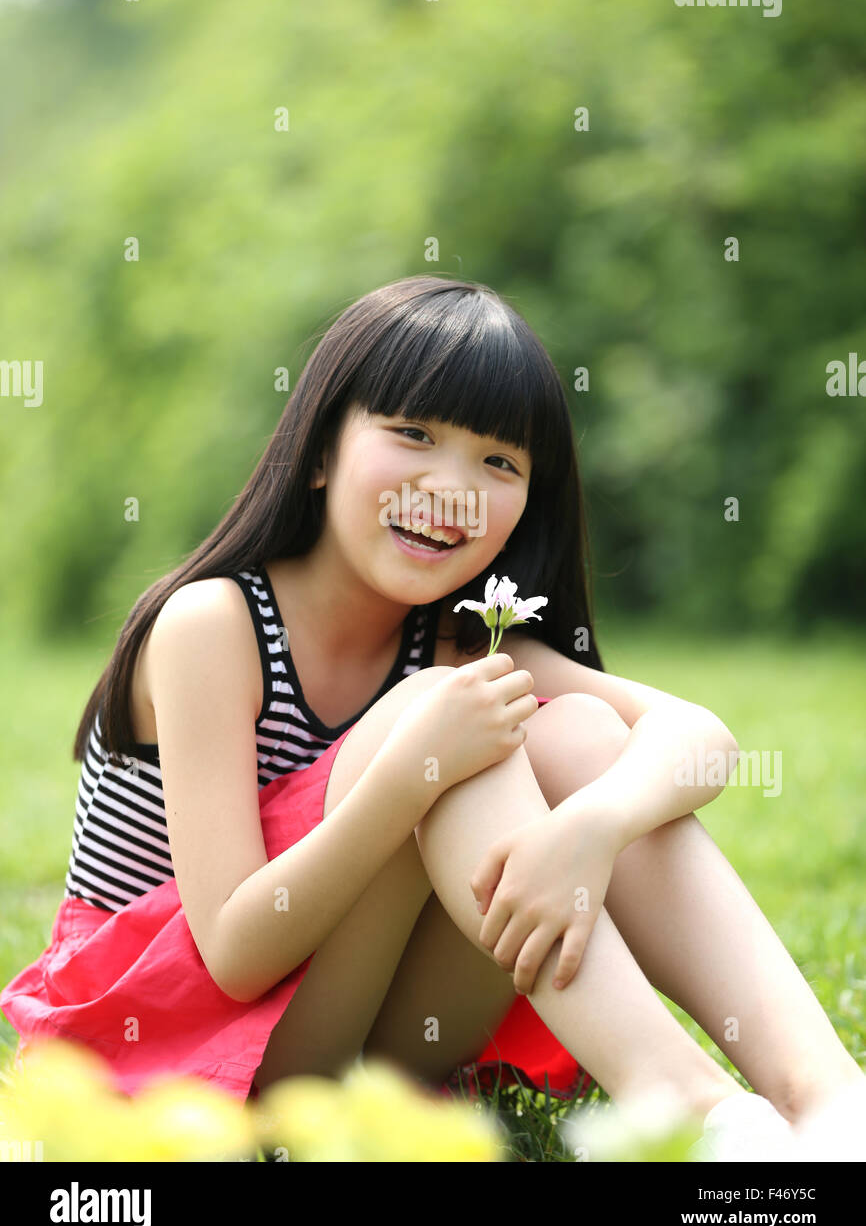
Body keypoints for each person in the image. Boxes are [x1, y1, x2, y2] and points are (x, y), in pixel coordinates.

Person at [2, 275, 863, 1161]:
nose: (451, 488)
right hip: (183, 1050)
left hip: (384, 1051)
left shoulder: (457, 636)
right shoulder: (211, 626)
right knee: (455, 715)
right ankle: (694, 1114)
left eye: (498, 462)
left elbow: (699, 738)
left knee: (578, 736)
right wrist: (415, 766)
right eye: (413, 434)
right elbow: (232, 953)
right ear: (319, 451)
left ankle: (831, 1105)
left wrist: (592, 830)